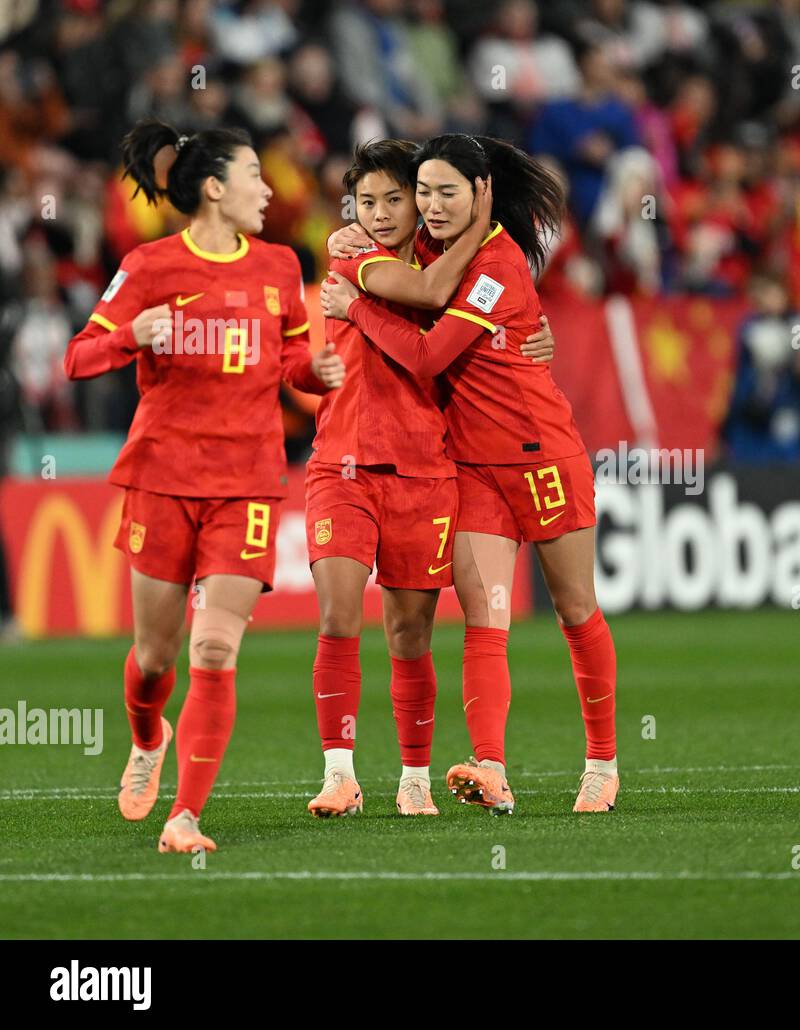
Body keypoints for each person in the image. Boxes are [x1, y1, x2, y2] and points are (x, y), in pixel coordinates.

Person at [63, 119, 344, 852]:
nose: (268, 187)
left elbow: (290, 364)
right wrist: (134, 336)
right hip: (162, 476)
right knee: (156, 658)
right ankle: (147, 736)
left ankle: (184, 816)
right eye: (255, 173)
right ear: (215, 187)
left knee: (214, 651)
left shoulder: (281, 265)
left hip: (247, 480)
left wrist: (315, 375)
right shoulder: (150, 265)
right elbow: (78, 357)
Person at [321, 133, 619, 814]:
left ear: (482, 192)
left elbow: (427, 359)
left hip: (540, 454)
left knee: (575, 610)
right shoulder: (429, 249)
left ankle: (602, 765)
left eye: (445, 191)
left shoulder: (497, 262)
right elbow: (398, 259)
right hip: (472, 469)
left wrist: (359, 308)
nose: (428, 206)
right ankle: (492, 770)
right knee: (486, 620)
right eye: (421, 192)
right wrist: (357, 230)